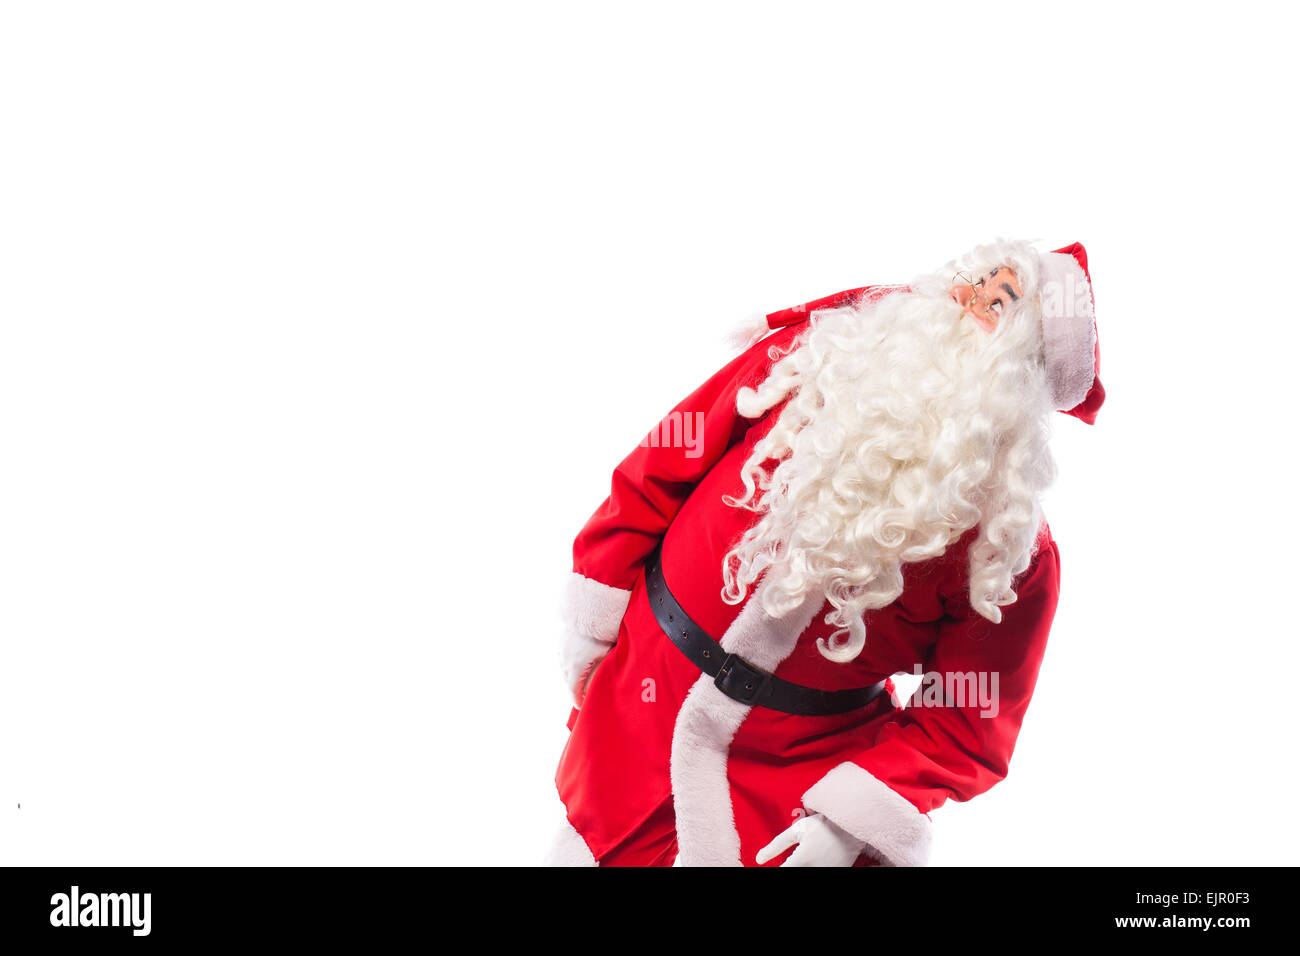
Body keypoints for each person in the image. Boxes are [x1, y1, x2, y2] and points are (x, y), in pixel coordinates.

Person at [545, 238, 1104, 867]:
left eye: (994, 302)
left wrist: (851, 820)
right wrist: (593, 614)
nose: (961, 296)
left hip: (791, 773)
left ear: (1017, 369)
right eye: (973, 278)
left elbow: (967, 722)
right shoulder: (808, 362)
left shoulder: (1009, 550)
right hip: (640, 693)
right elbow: (658, 468)